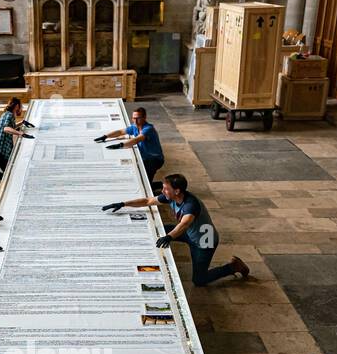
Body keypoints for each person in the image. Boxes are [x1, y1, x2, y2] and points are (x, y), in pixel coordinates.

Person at [101, 173, 249, 286]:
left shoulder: (190, 205)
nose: (163, 191)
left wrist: (169, 237)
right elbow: (147, 201)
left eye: (166, 188)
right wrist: (122, 203)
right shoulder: (171, 197)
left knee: (199, 280)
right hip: (190, 233)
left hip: (204, 239)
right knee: (158, 230)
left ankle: (233, 266)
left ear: (177, 191)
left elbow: (184, 224)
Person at [95, 106, 166, 187]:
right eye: (133, 118)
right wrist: (106, 136)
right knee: (140, 175)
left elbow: (136, 140)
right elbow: (120, 131)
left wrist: (120, 145)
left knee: (145, 182)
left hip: (154, 160)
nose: (135, 121)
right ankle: (155, 184)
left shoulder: (148, 129)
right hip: (146, 157)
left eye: (138, 118)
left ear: (144, 117)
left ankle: (156, 186)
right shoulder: (134, 127)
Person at [0, 97, 34, 183]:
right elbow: (6, 128)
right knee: (8, 177)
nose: (21, 109)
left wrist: (22, 122)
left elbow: (11, 127)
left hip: (1, 152)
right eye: (20, 106)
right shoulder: (9, 115)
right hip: (1, 153)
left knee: (10, 174)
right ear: (16, 106)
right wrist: (20, 134)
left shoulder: (7, 114)